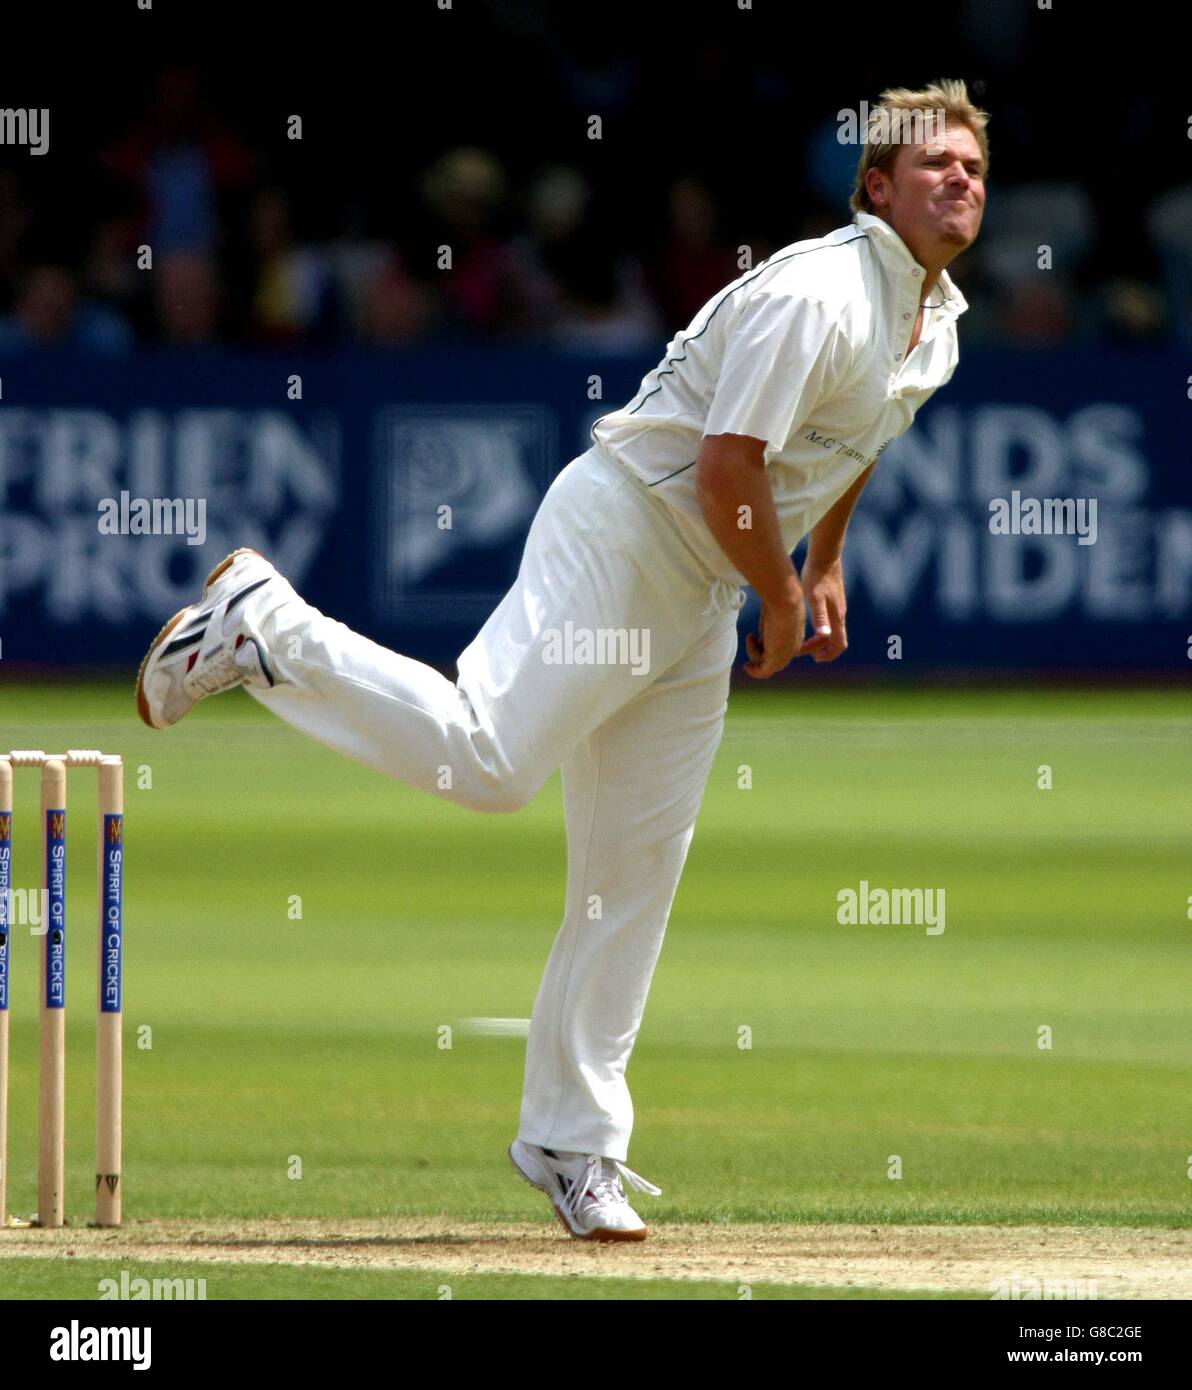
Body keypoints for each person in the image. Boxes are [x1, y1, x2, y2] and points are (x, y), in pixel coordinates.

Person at [136, 79, 987, 1242]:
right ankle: (264, 627)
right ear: (876, 188)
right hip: (631, 525)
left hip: (700, 584)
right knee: (490, 762)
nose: (960, 181)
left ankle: (571, 1142)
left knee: (634, 867)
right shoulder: (822, 291)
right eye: (935, 163)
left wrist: (823, 561)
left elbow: (851, 441)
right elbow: (728, 468)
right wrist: (783, 597)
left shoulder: (934, 321)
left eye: (975, 169)